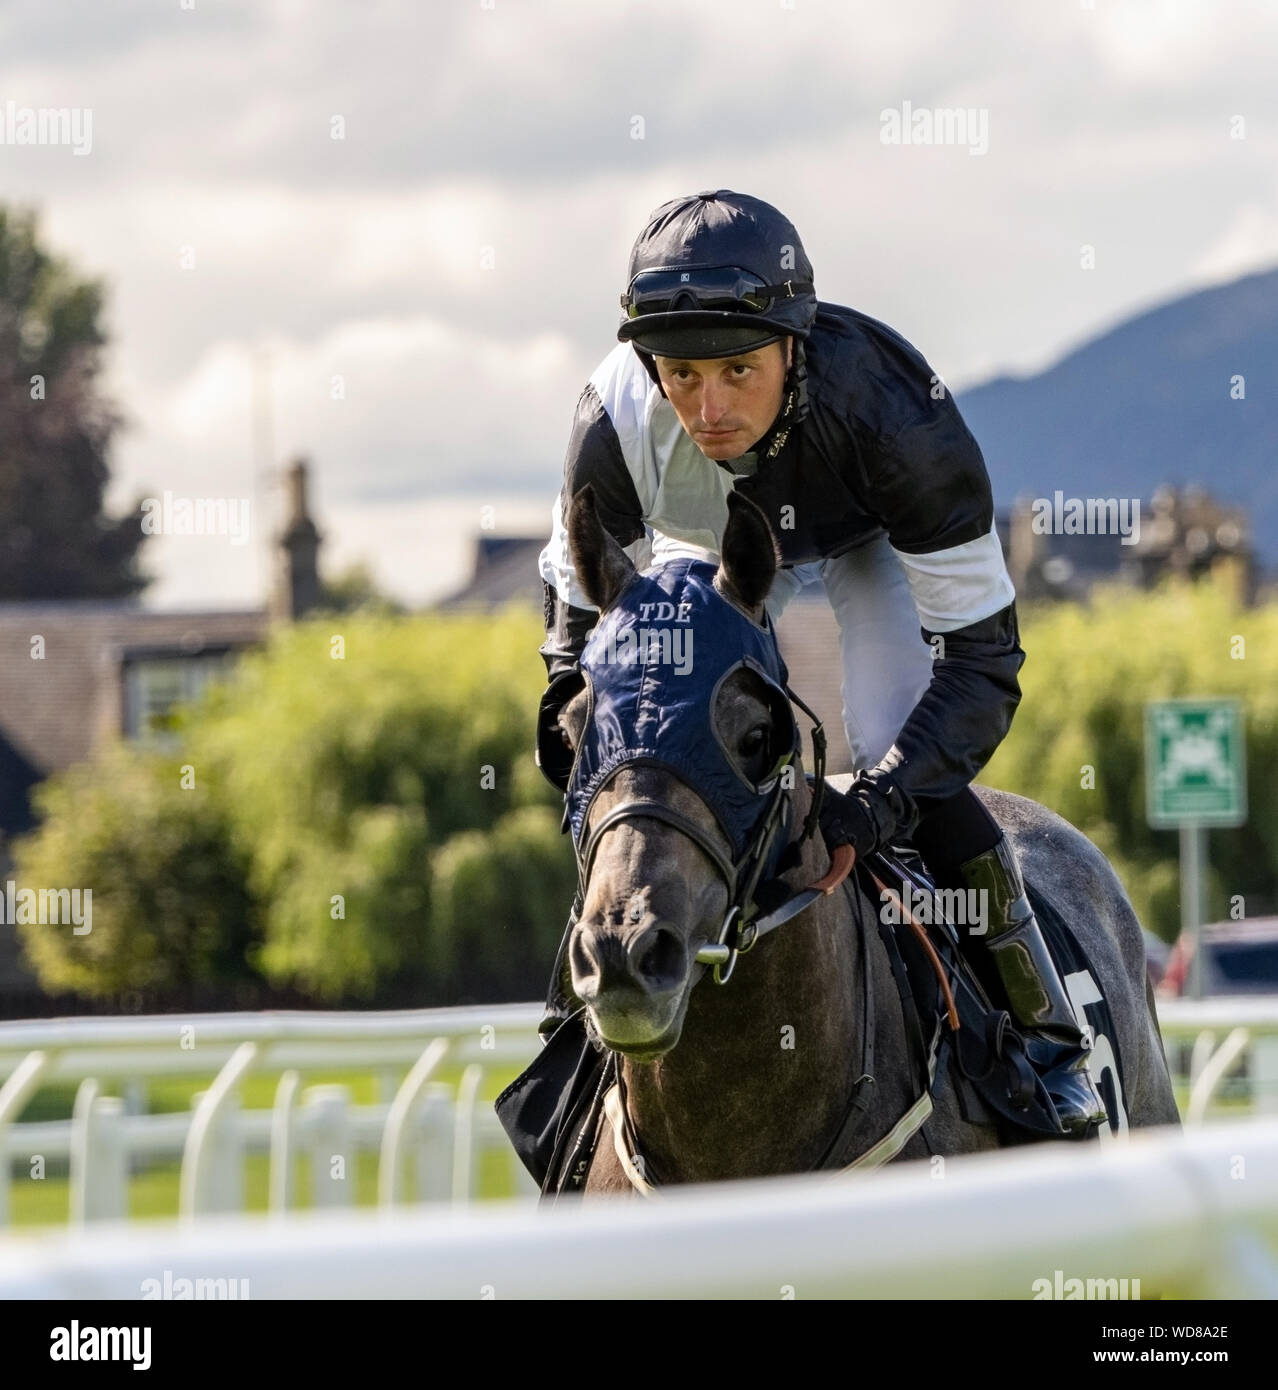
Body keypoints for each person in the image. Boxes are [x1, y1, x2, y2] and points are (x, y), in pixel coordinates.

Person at [534, 189, 1105, 1135]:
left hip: (863, 538)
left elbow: (985, 664)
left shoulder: (899, 420)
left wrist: (874, 803)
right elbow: (573, 629)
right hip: (703, 545)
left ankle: (1043, 1034)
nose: (709, 410)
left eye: (736, 373)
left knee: (887, 731)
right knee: (648, 741)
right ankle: (580, 1032)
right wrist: (579, 734)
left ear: (794, 347)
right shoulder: (615, 416)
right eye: (681, 375)